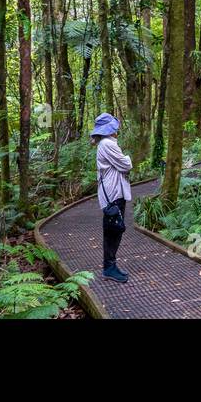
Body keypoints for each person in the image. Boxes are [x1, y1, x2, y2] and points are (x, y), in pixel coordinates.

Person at [92, 113, 132, 283]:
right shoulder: (108, 144)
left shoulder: (105, 143)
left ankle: (111, 266)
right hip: (113, 192)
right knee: (112, 230)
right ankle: (109, 268)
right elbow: (126, 165)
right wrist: (128, 159)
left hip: (112, 190)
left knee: (114, 229)